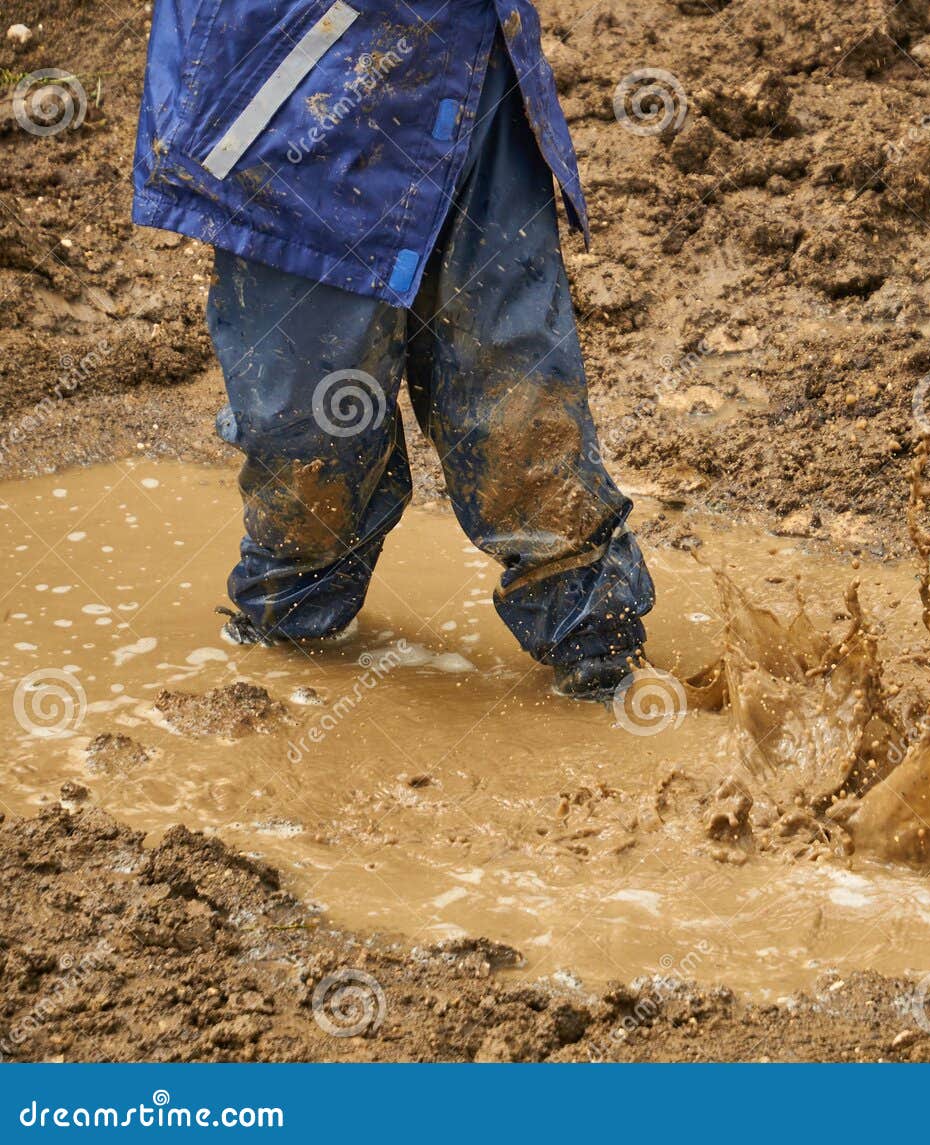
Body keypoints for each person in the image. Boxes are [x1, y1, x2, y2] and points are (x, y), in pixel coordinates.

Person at [131, 0, 654, 702]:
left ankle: (607, 671)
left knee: (522, 408)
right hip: (287, 88)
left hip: (464, 61)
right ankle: (283, 658)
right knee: (310, 450)